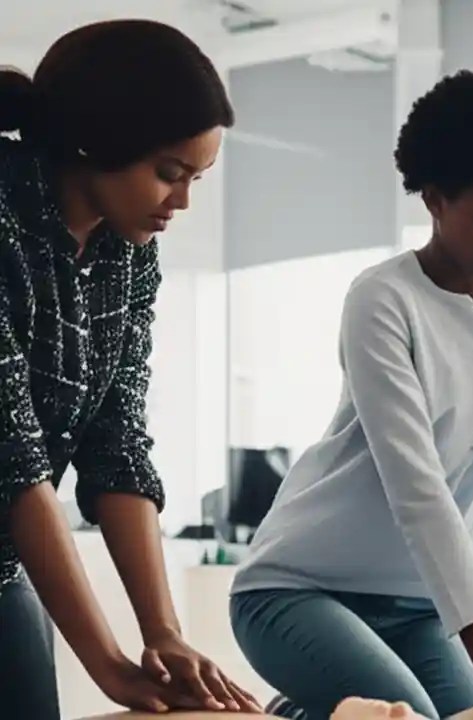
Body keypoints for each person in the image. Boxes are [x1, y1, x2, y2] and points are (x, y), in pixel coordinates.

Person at [229, 69, 473, 720]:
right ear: (436, 201)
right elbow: (418, 489)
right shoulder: (382, 299)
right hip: (299, 589)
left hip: (421, 608)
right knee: (409, 718)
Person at [0, 20, 257, 719]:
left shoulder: (128, 254)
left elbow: (116, 443)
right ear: (93, 143)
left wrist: (162, 633)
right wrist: (109, 666)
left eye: (196, 178)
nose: (182, 202)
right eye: (169, 174)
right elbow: (13, 459)